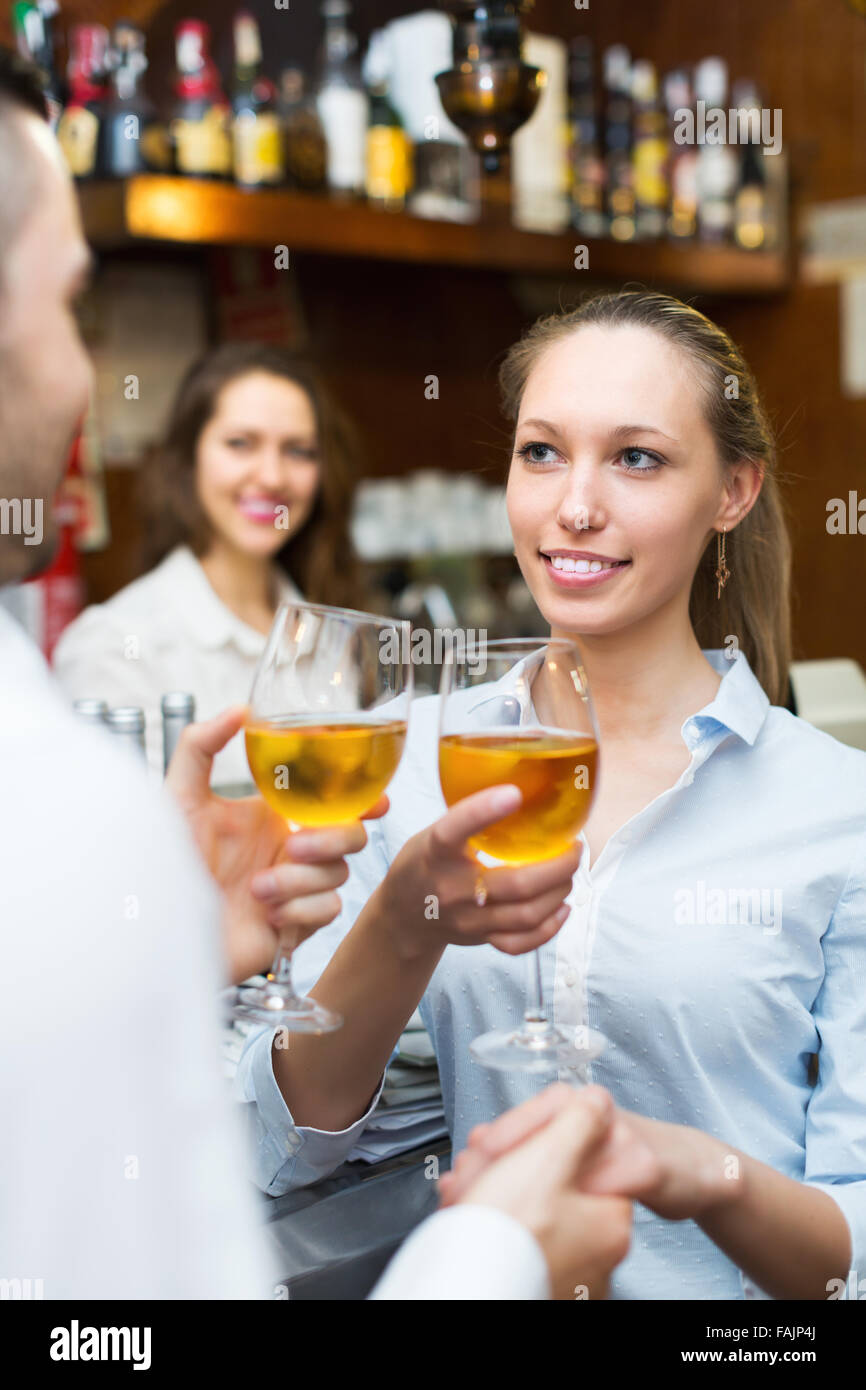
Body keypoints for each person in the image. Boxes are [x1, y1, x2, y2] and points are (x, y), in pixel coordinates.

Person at [0, 46, 640, 1301]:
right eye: (72, 307)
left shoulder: (327, 643)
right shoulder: (66, 763)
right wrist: (500, 1248)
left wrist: (181, 941)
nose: (82, 371)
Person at [238, 288, 866, 1301]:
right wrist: (407, 920)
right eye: (540, 452)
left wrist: (690, 1171)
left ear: (732, 491)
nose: (573, 505)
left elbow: (852, 1248)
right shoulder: (412, 758)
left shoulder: (838, 809)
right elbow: (281, 1150)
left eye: (636, 458)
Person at [53, 341, 362, 782]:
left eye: (298, 450)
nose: (272, 477)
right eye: (240, 444)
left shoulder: (328, 633)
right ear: (188, 459)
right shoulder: (112, 647)